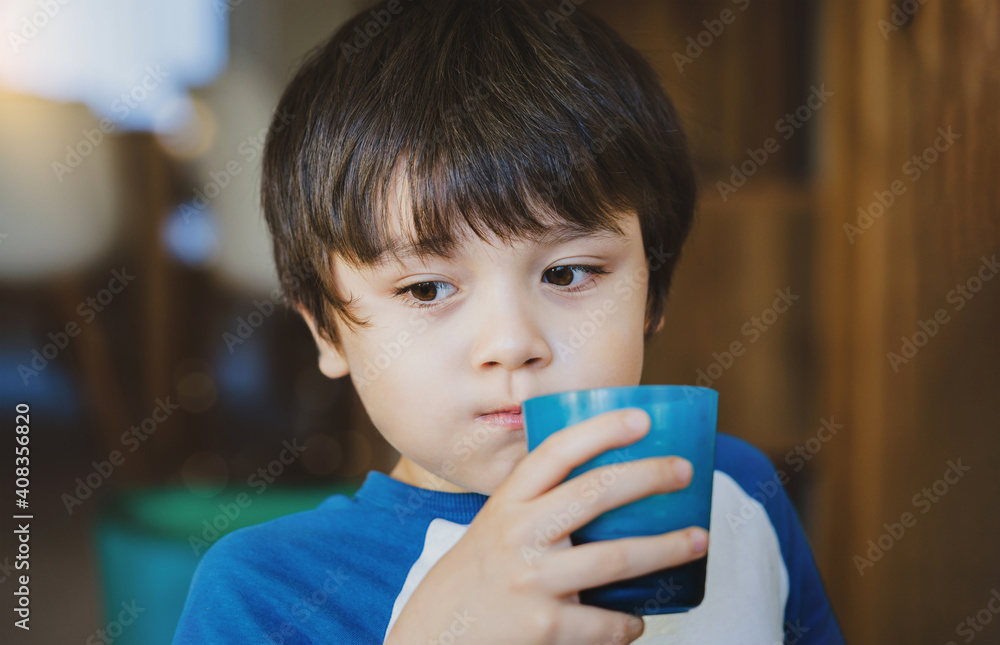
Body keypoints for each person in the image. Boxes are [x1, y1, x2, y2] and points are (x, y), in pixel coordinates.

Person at [173, 0, 846, 642]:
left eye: (567, 273)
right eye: (428, 287)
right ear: (326, 328)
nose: (512, 344)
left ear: (654, 294)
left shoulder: (734, 495)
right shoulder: (263, 595)